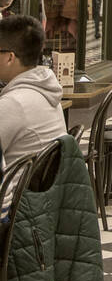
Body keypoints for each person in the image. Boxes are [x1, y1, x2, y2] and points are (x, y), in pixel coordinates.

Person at [0, 15, 68, 172]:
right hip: (41, 192)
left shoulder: (14, 103)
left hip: (16, 194)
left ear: (10, 57)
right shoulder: (45, 88)